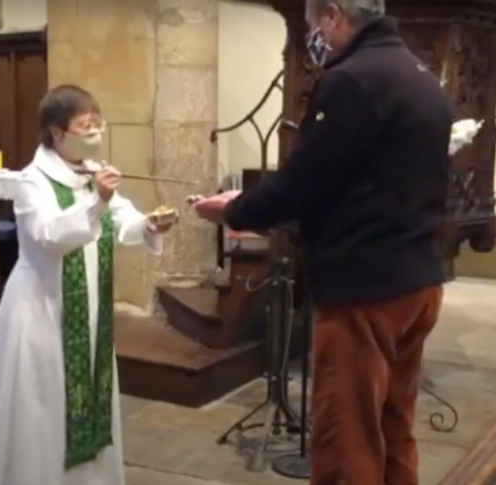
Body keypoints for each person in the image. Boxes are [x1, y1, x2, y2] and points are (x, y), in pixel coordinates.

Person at [193, 1, 454, 484]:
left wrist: (234, 209)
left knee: (345, 436)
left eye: (314, 25)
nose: (314, 37)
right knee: (393, 425)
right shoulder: (420, 73)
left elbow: (304, 184)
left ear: (333, 15)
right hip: (417, 280)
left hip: (364, 289)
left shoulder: (352, 80)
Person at [0, 85, 173, 485]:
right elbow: (49, 236)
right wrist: (97, 201)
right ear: (56, 133)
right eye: (85, 125)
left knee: (89, 400)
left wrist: (148, 224)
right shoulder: (33, 181)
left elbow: (122, 220)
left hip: (91, 313)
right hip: (43, 311)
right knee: (45, 407)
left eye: (97, 122)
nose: (95, 131)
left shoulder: (91, 171)